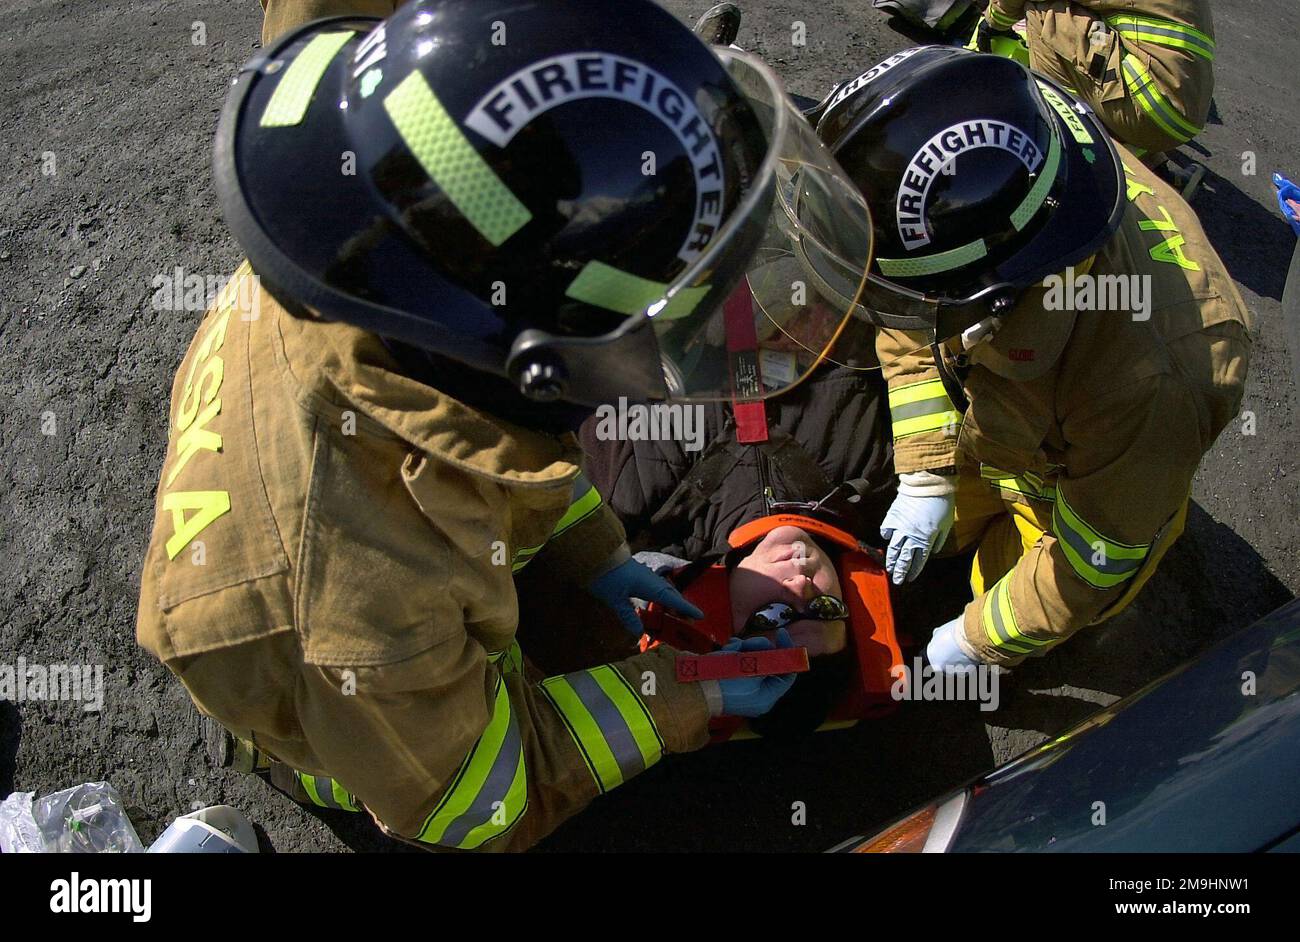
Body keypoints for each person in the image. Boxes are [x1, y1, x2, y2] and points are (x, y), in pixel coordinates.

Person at [134, 0, 877, 850]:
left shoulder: (388, 267)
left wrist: (595, 552)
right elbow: (482, 799)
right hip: (350, 718)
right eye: (660, 336)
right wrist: (686, 695)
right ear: (529, 355)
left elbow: (476, 453)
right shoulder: (360, 603)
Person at [808, 46, 1251, 671]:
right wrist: (927, 475)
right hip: (1011, 416)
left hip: (1091, 482)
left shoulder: (1152, 386)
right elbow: (909, 309)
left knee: (1017, 603)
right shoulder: (997, 176)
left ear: (995, 295)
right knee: (886, 533)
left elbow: (1092, 560)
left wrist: (972, 641)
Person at [972, 0, 1217, 160]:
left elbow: (1006, 7)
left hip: (1150, 107)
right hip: (1182, 108)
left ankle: (1069, 144)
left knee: (1041, 9)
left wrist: (994, 22)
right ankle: (1146, 159)